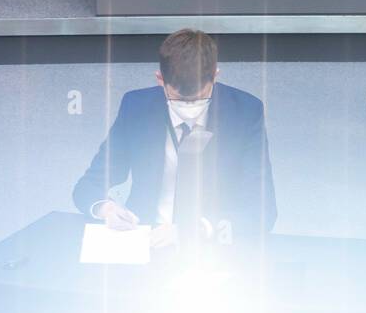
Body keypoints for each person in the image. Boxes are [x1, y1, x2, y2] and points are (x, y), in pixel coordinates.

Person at [73, 29, 277, 246]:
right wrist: (105, 208)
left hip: (210, 245)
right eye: (179, 98)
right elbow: (89, 185)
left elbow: (263, 210)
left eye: (199, 98)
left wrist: (196, 231)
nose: (189, 107)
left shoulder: (245, 112)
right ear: (160, 79)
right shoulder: (136, 107)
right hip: (146, 239)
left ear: (215, 76)